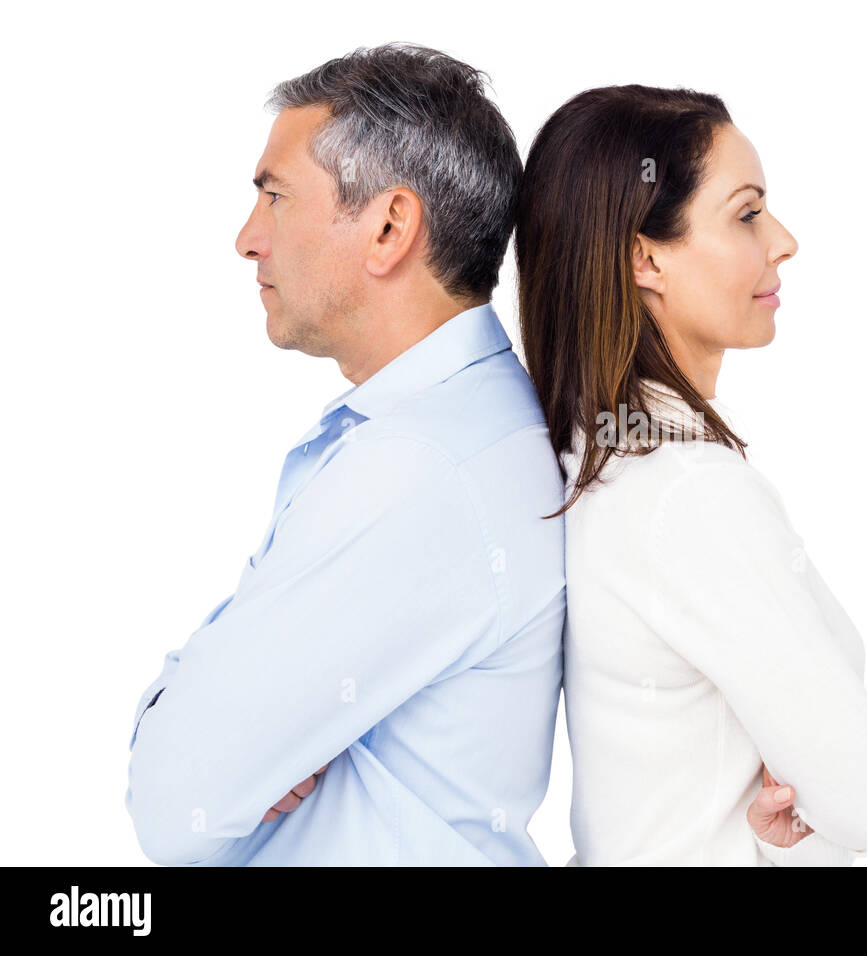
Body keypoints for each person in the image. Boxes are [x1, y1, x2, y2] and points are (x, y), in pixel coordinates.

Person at [125, 43, 565, 866]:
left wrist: (184, 718)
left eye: (275, 196)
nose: (247, 238)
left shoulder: (421, 468)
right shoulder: (454, 434)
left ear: (390, 227)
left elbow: (174, 804)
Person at [515, 84, 867, 865]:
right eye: (746, 214)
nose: (785, 240)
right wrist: (818, 814)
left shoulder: (595, 459)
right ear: (645, 258)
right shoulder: (686, 495)